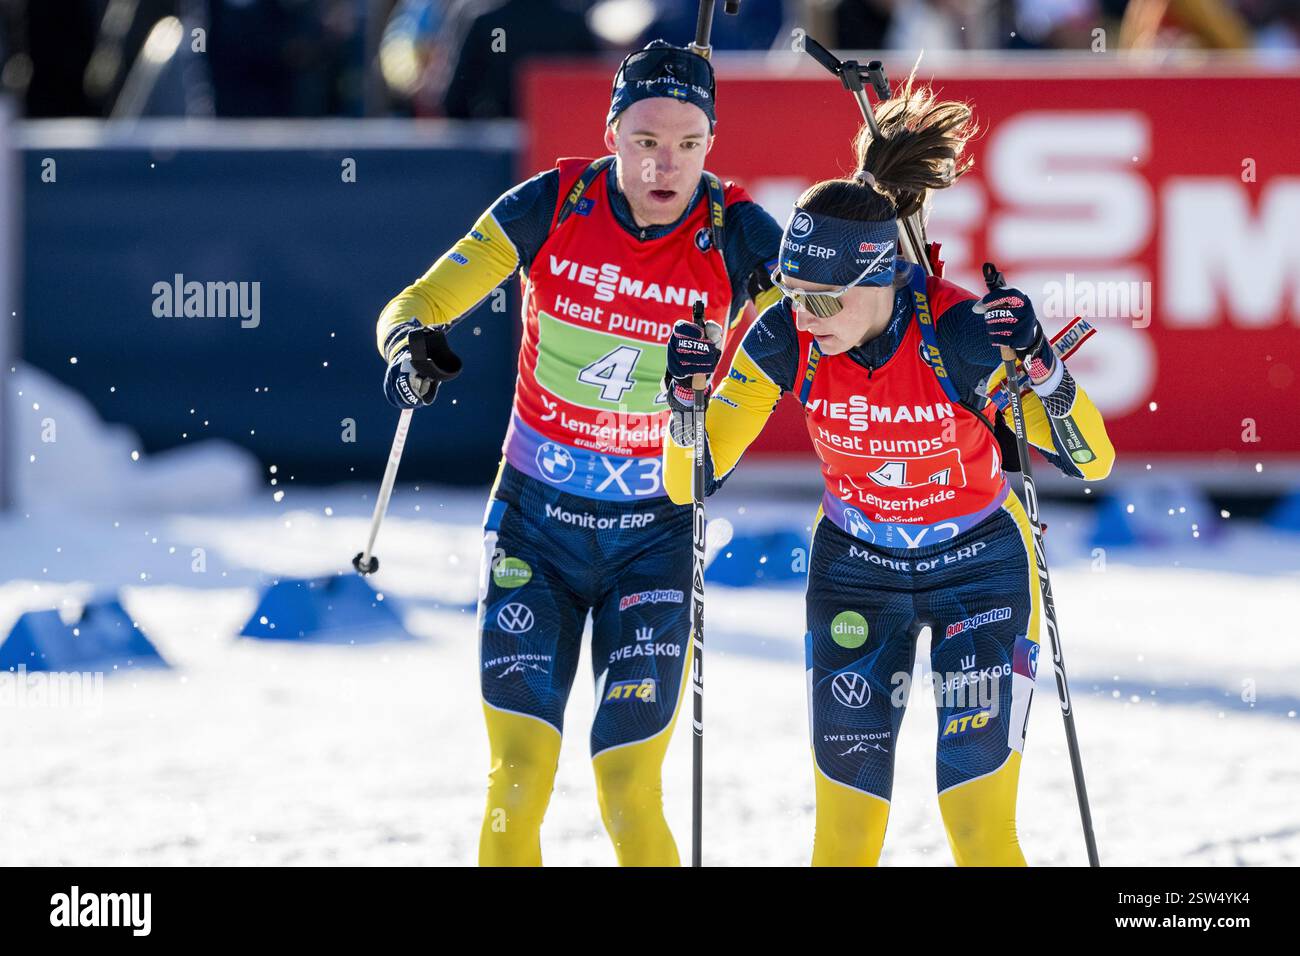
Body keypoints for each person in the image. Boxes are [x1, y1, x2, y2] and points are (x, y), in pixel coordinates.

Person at [661, 78, 1114, 866]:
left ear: (880, 279)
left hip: (980, 570)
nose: (804, 316)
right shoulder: (784, 335)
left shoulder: (962, 331)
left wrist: (1041, 369)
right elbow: (688, 482)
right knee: (844, 836)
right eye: (792, 293)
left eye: (824, 302)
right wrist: (683, 408)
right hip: (856, 574)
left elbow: (1090, 459)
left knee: (975, 826)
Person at [375, 39, 783, 866]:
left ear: (711, 145)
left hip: (656, 539)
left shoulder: (736, 229)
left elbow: (825, 324)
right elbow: (415, 302)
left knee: (627, 785)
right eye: (645, 142)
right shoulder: (553, 202)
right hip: (535, 526)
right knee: (517, 779)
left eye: (689, 145)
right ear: (610, 134)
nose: (666, 166)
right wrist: (408, 346)